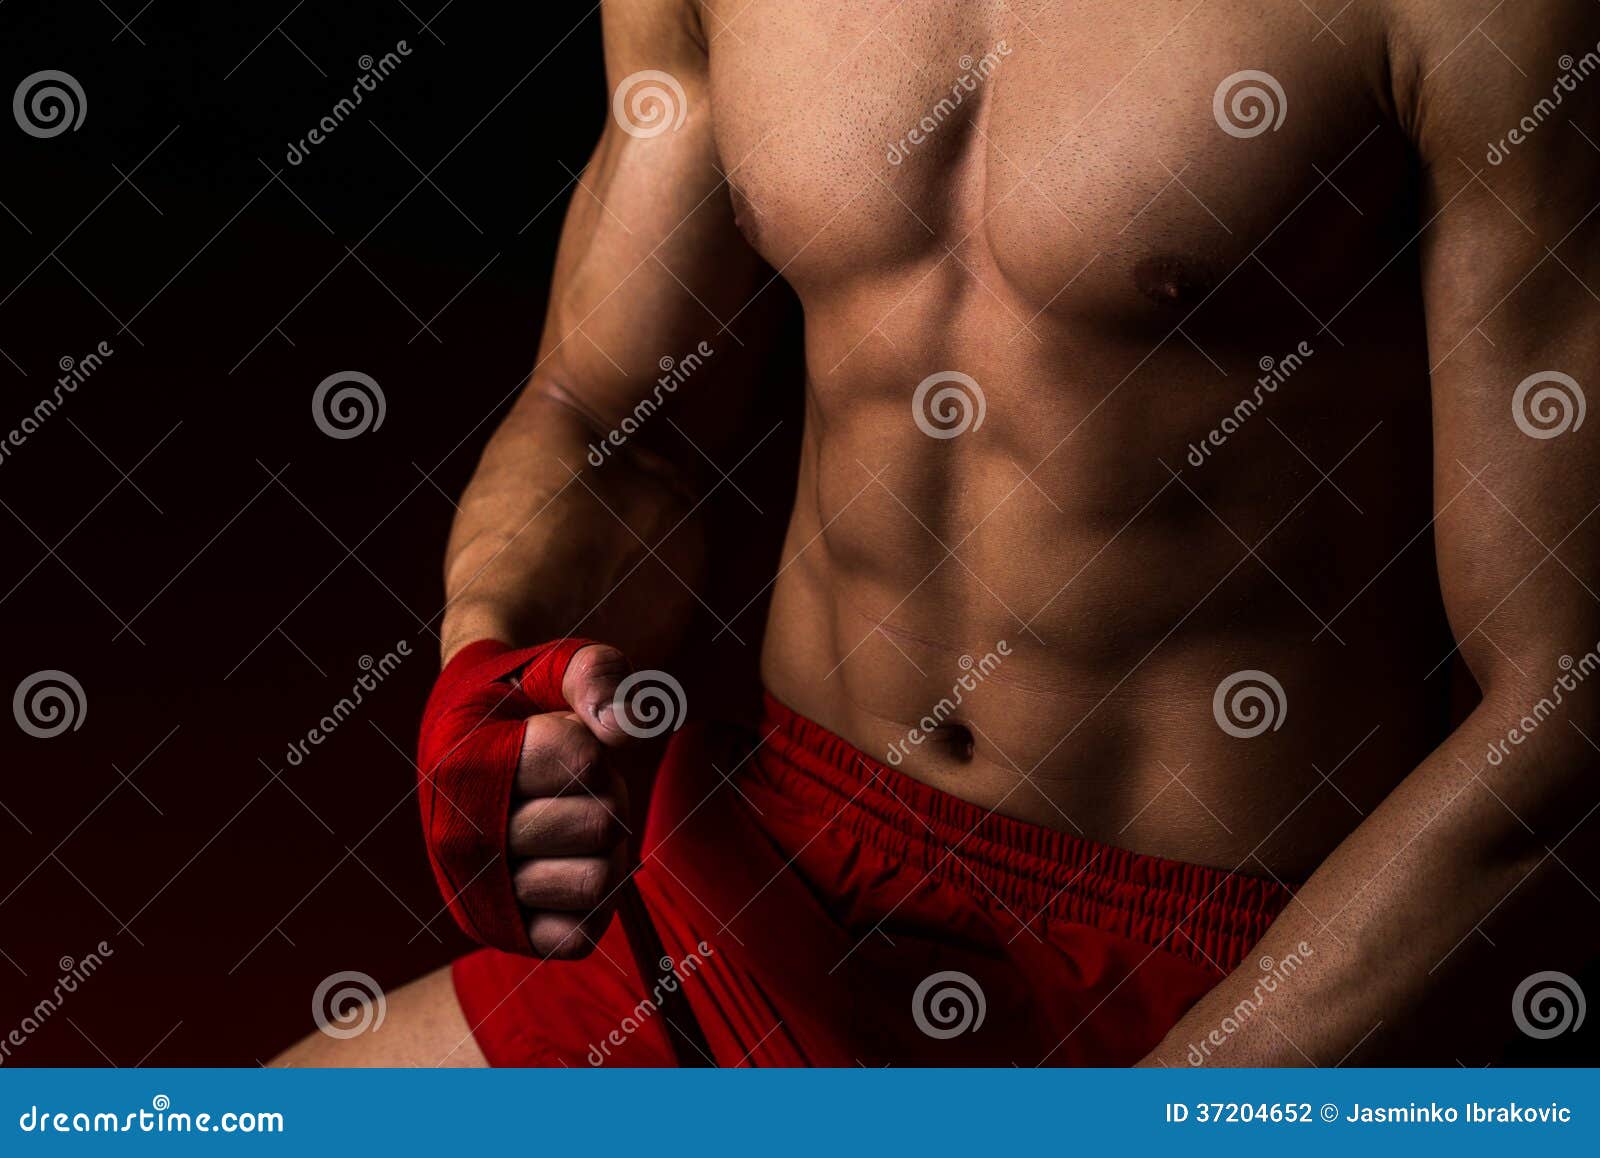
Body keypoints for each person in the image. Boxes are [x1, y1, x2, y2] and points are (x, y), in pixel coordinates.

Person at [276, 0, 1600, 1066]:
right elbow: (611, 420)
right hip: (773, 878)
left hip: (1243, 978)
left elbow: (1568, 691)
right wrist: (495, 663)